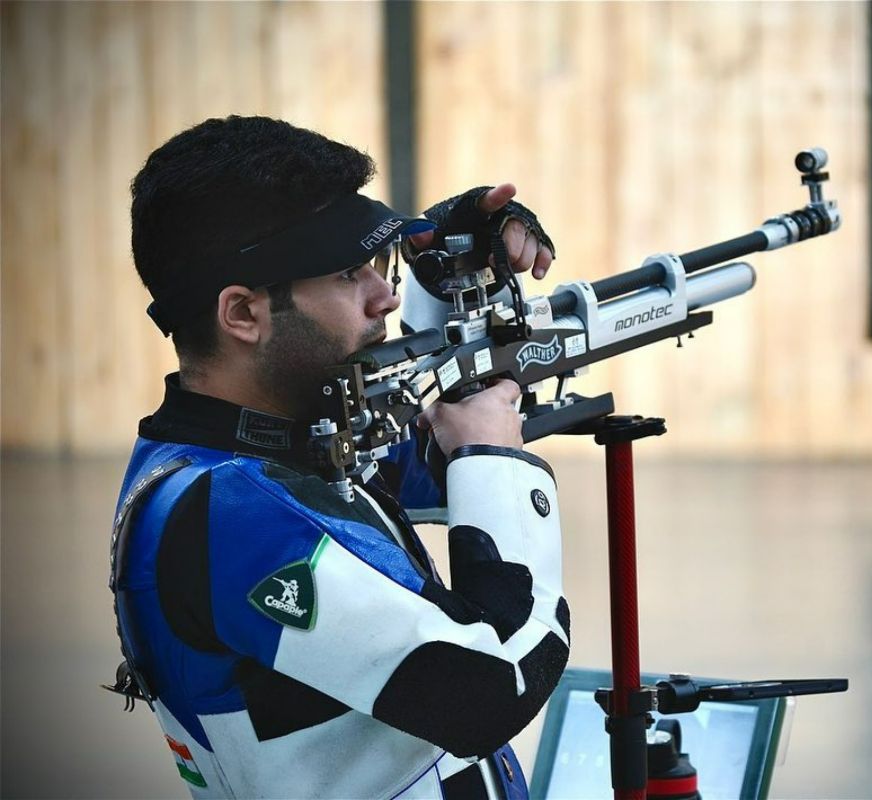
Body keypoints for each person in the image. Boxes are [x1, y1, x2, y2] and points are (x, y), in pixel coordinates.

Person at [108, 115, 568, 799]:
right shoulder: (227, 512)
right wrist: (495, 459)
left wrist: (450, 281)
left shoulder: (279, 440)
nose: (385, 296)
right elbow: (494, 685)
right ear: (243, 314)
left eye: (380, 267)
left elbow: (436, 461)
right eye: (351, 272)